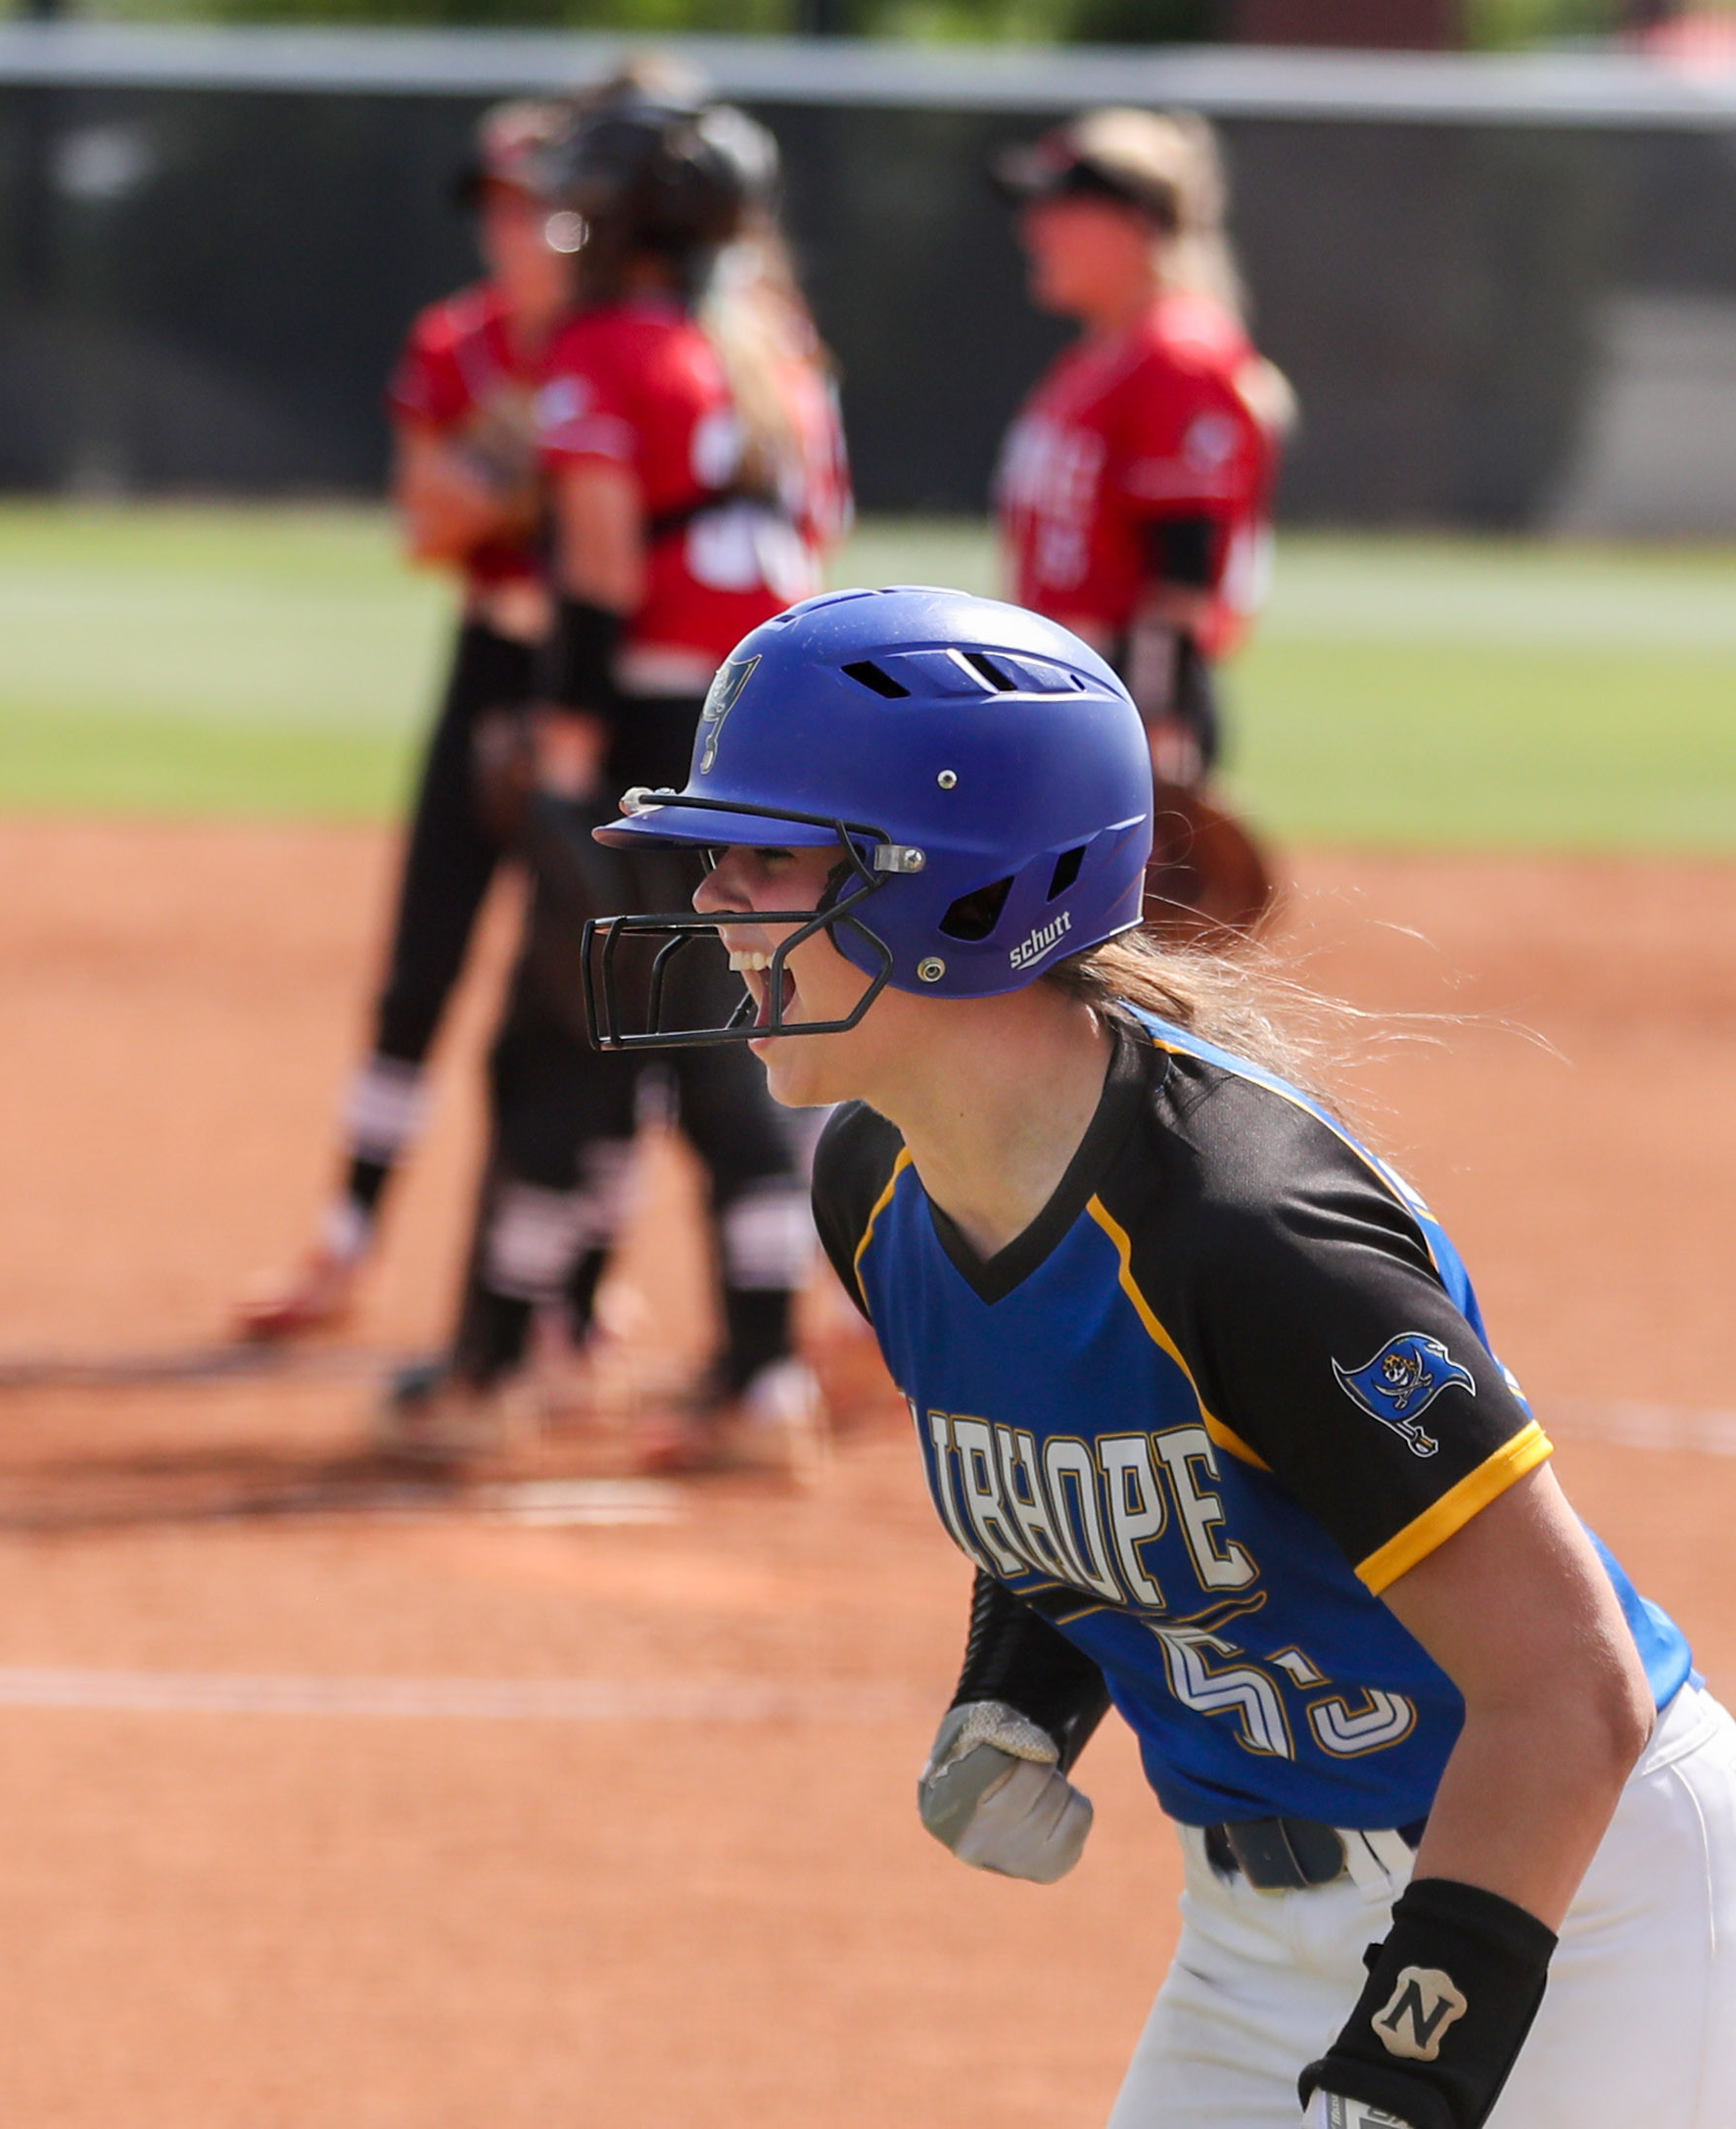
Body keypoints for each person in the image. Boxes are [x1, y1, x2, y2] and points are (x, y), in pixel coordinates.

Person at [582, 583, 1733, 2128]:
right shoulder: (880, 1183)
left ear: (956, 895)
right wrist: (1027, 1685)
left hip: (1563, 1898)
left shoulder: (1247, 1236)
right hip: (1254, 1932)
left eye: (765, 853)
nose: (714, 896)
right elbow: (1092, 1448)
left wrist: (1416, 2061)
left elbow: (1567, 1689)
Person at [385, 91, 850, 1473]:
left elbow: (595, 566)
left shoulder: (607, 347)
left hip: (649, 745)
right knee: (737, 1057)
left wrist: (563, 748)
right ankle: (763, 1376)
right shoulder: (777, 353)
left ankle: (493, 1370)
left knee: (568, 1050)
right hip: (776, 741)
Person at [233, 98, 568, 1343]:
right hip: (494, 661)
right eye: (497, 205)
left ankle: (572, 1271)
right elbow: (423, 524)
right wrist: (548, 460)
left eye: (536, 203)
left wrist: (499, 471)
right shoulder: (457, 341)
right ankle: (348, 1238)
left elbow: (480, 498)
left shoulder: (619, 341)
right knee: (422, 960)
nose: (512, 228)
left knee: (578, 981)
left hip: (592, 683)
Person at [991, 109, 1292, 936]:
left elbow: (1183, 580)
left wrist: (1156, 757)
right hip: (1072, 699)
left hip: (1125, 706)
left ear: (1133, 221)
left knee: (1115, 967)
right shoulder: (1099, 357)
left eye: (1058, 205)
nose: (1034, 227)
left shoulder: (1177, 357)